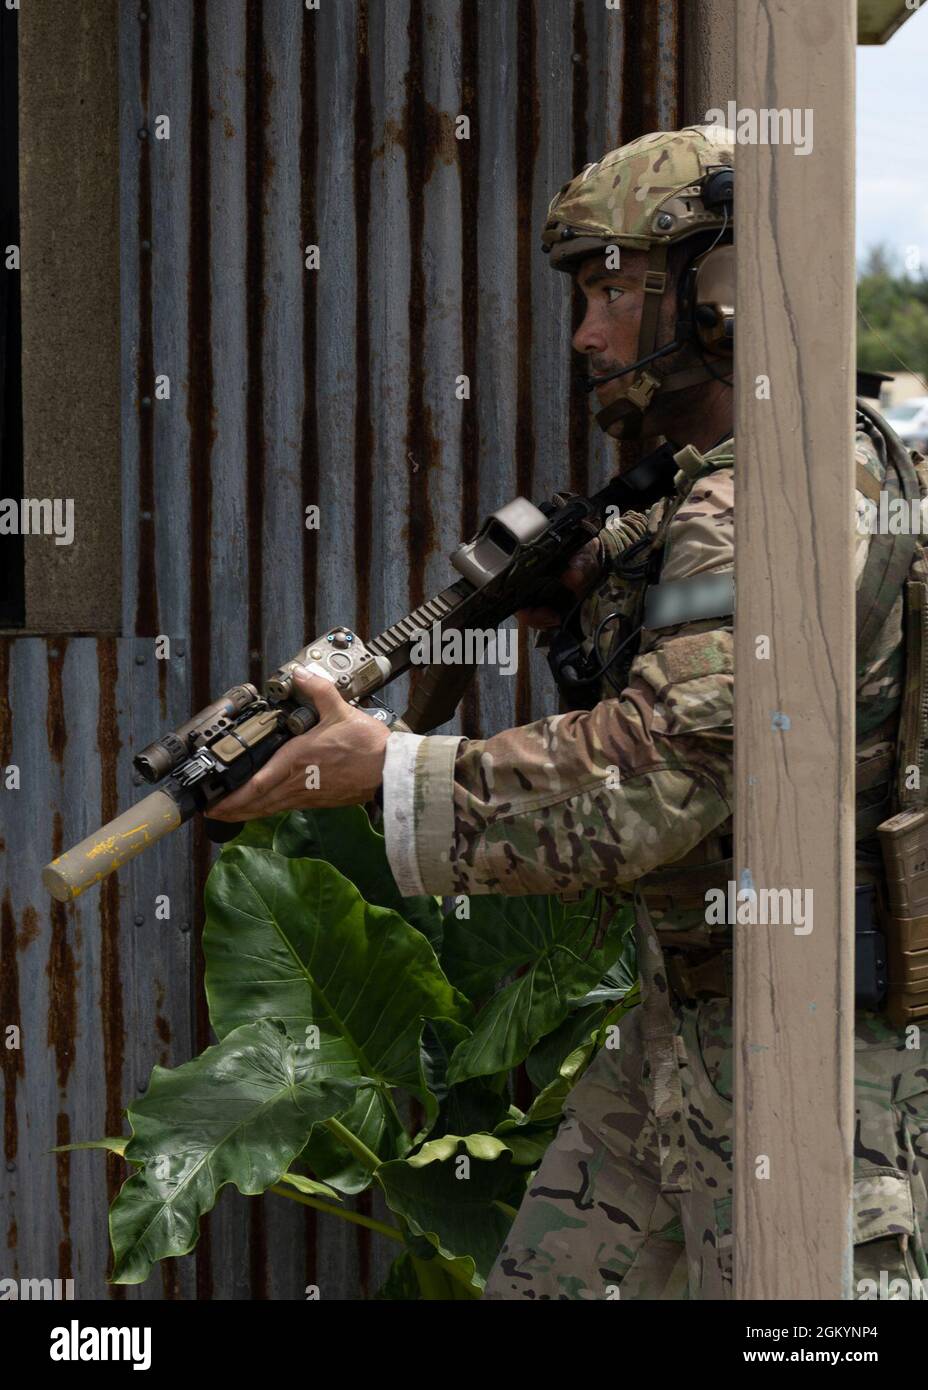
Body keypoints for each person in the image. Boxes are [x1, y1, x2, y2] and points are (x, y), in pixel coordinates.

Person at [210, 126, 928, 1299]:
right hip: (694, 1018)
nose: (589, 332)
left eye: (611, 289)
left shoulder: (766, 491)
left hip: (807, 1057)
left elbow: (668, 768)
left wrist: (387, 771)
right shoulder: (739, 479)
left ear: (723, 291)